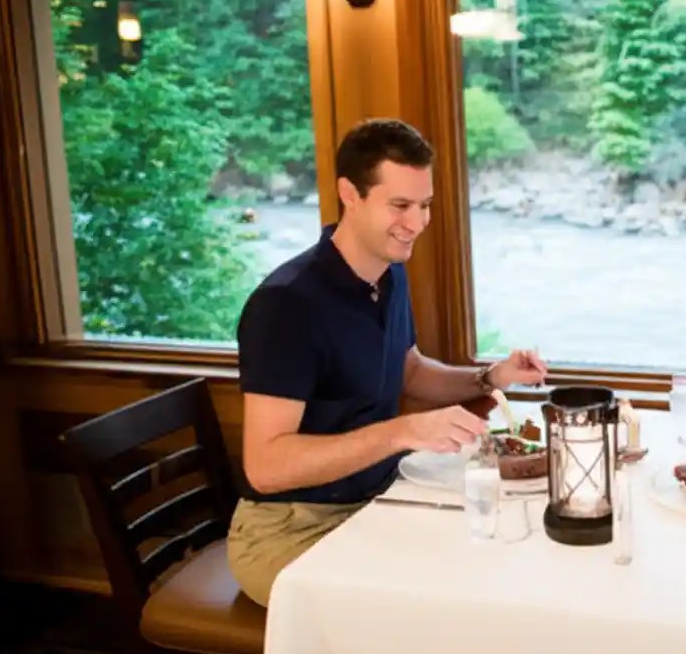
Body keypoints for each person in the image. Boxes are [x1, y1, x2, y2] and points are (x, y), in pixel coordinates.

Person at [227, 118, 547, 607]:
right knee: (436, 606)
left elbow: (410, 372)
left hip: (371, 502)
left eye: (425, 206)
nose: (416, 223)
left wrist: (492, 376)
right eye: (399, 205)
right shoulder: (285, 305)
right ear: (349, 194)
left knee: (497, 569)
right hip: (288, 532)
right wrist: (402, 432)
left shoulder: (388, 276)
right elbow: (266, 468)